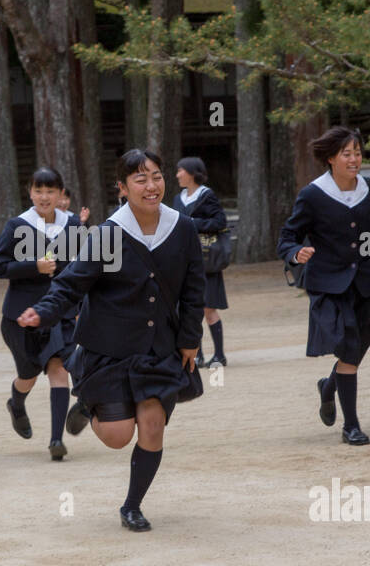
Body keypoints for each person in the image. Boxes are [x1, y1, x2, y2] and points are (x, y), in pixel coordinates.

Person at [18, 149, 204, 532]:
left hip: (160, 348)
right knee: (119, 436)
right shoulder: (107, 234)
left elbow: (194, 289)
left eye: (156, 176)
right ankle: (88, 403)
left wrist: (190, 339)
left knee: (152, 423)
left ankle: (132, 505)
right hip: (110, 347)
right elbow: (71, 283)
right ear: (122, 188)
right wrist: (44, 311)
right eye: (140, 179)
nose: (151, 186)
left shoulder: (183, 228)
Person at [277, 128, 370, 445]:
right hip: (328, 282)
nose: (354, 159)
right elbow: (287, 238)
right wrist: (295, 253)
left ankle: (329, 386)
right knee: (349, 345)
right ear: (331, 158)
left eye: (357, 152)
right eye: (347, 154)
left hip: (364, 280)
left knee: (361, 344)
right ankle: (351, 426)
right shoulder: (312, 194)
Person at [0, 167, 91, 461]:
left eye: (50, 191)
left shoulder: (72, 224)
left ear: (61, 195)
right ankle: (17, 404)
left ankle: (56, 440)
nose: (44, 197)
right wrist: (33, 266)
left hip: (60, 312)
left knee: (59, 369)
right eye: (38, 191)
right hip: (21, 316)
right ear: (30, 192)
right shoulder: (17, 226)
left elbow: (81, 267)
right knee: (29, 375)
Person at [171, 156, 230, 367]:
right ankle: (198, 354)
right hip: (184, 260)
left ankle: (220, 354)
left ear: (192, 172)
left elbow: (220, 221)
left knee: (209, 308)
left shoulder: (207, 195)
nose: (177, 175)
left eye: (180, 170)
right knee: (189, 309)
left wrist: (193, 223)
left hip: (206, 259)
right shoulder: (179, 199)